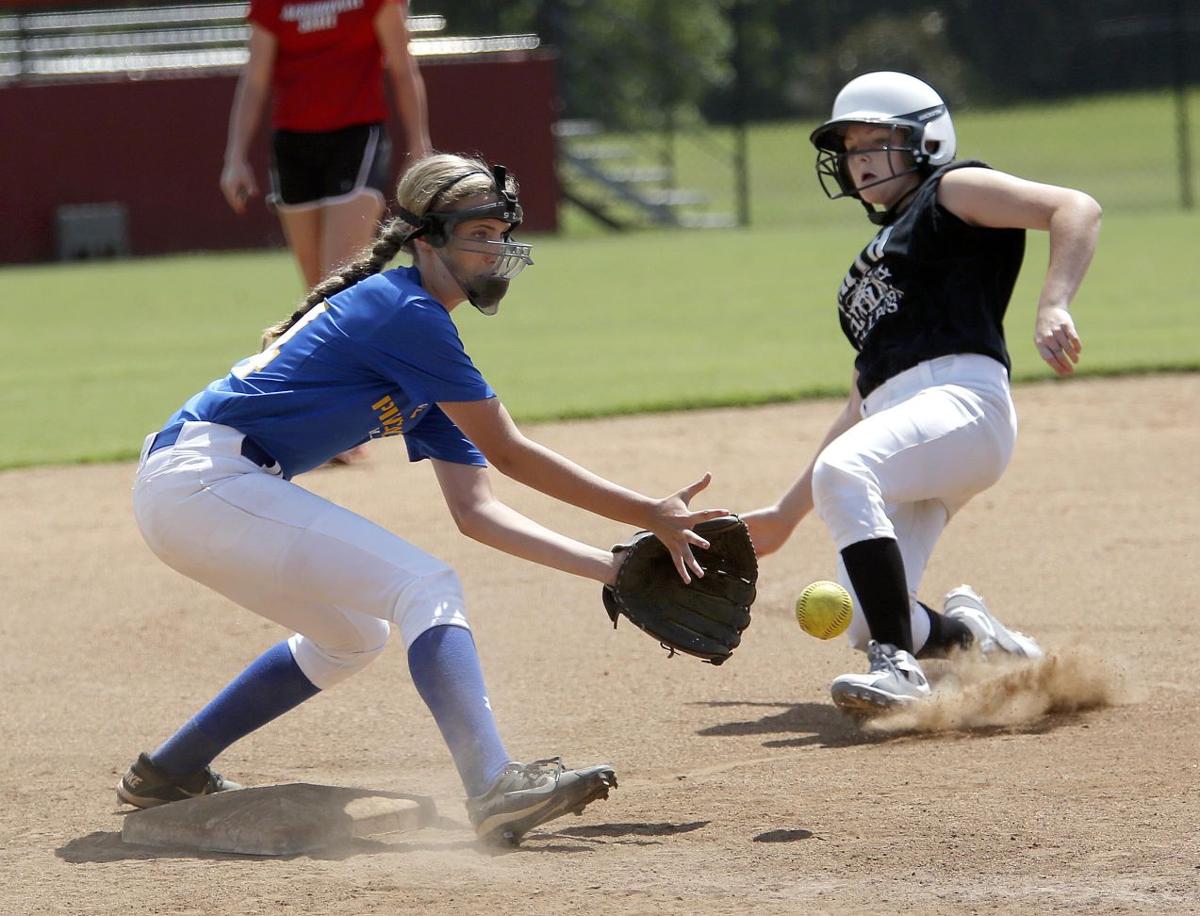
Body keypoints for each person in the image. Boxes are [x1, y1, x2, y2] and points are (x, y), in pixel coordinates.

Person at [117, 153, 727, 846]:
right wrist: (649, 511)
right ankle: (493, 784)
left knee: (351, 637)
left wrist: (612, 569)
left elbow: (479, 512)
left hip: (200, 491)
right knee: (426, 587)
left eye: (502, 234)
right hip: (204, 481)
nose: (494, 251)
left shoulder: (420, 356)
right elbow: (512, 452)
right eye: (477, 233)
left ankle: (171, 770)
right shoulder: (404, 310)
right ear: (424, 239)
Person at [742, 72, 1101, 717]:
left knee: (848, 470)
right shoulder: (870, 263)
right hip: (906, 430)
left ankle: (897, 670)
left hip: (963, 403)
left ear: (924, 139)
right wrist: (783, 515)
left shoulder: (953, 190)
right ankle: (977, 639)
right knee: (871, 614)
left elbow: (1073, 207)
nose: (858, 162)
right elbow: (858, 407)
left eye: (874, 142)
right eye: (849, 150)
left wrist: (1053, 305)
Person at [220, 0, 431, 465]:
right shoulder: (272, 5)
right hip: (293, 144)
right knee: (315, 295)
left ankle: (344, 421)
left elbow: (402, 65)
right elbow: (256, 77)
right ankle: (303, 417)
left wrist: (419, 144)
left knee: (339, 286)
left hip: (356, 137)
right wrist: (235, 155)